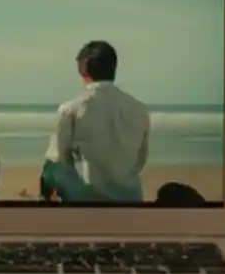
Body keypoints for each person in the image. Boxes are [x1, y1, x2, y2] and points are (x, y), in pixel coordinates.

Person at [41, 40, 150, 202]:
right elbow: (140, 161)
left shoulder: (71, 109)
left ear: (83, 72)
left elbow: (60, 157)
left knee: (51, 167)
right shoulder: (139, 109)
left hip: (86, 198)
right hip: (129, 196)